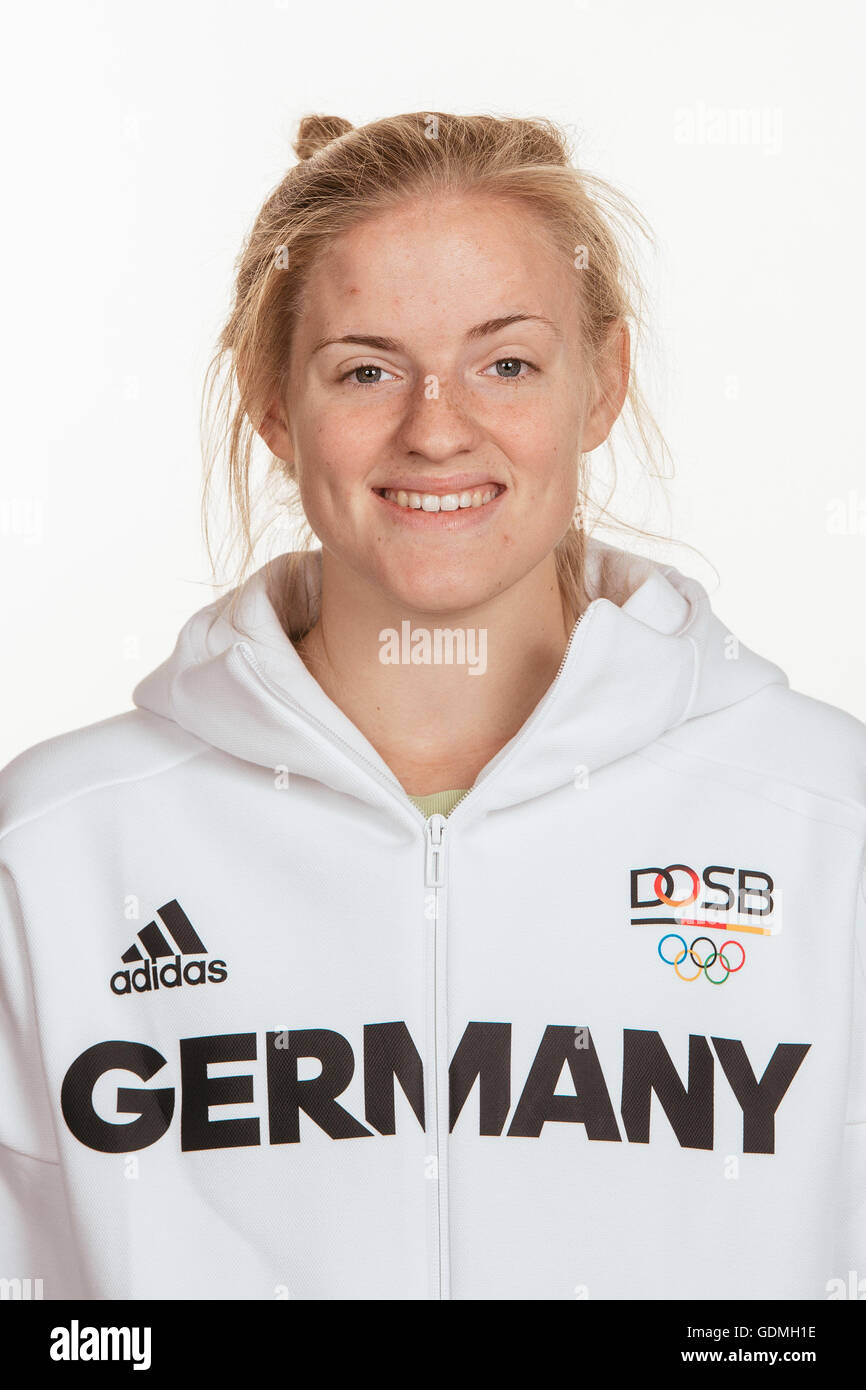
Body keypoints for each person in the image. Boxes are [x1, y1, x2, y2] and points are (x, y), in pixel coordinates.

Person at [1, 110, 864, 1302]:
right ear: (271, 404)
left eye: (505, 363)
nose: (435, 427)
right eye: (364, 368)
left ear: (601, 383)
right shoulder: (54, 849)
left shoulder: (827, 824)